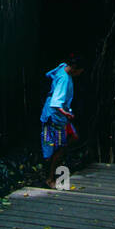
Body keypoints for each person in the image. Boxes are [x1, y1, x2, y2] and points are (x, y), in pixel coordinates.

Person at [40, 55, 84, 188]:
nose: (80, 74)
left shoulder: (63, 68)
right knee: (57, 147)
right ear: (75, 68)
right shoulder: (64, 79)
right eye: (80, 71)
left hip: (55, 114)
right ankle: (50, 178)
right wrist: (67, 114)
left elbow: (49, 74)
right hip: (55, 116)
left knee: (71, 138)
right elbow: (56, 103)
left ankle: (53, 169)